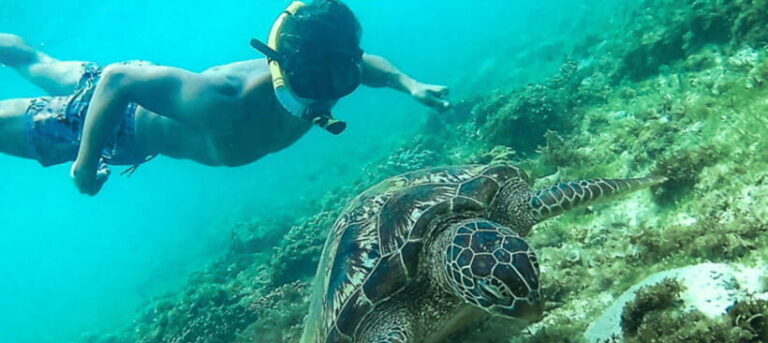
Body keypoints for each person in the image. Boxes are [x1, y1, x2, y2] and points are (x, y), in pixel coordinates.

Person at [0, 0, 451, 196]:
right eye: (317, 85)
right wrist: (84, 163)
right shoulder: (222, 97)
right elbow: (117, 81)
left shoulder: (330, 70)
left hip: (148, 87)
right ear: (286, 66)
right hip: (115, 121)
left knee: (38, 61)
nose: (325, 101)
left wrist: (410, 85)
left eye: (343, 79)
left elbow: (365, 63)